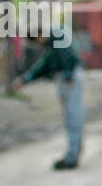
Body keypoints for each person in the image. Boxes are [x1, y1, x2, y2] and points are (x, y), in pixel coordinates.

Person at [11, 27, 84, 170]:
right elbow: (44, 65)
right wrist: (26, 79)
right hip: (68, 78)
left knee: (73, 118)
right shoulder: (52, 42)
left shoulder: (56, 38)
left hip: (70, 80)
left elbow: (67, 56)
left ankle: (72, 158)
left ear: (39, 36)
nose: (39, 46)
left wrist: (68, 74)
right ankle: (73, 155)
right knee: (71, 118)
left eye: (37, 42)